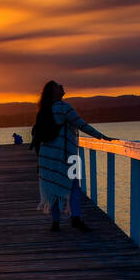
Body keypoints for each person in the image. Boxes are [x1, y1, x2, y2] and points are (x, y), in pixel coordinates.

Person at [32, 80, 113, 232]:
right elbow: (82, 125)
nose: (62, 87)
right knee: (74, 186)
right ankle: (75, 219)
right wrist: (102, 137)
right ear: (53, 92)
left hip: (47, 157)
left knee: (53, 187)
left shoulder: (44, 110)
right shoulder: (64, 108)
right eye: (58, 86)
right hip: (66, 156)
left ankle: (55, 223)